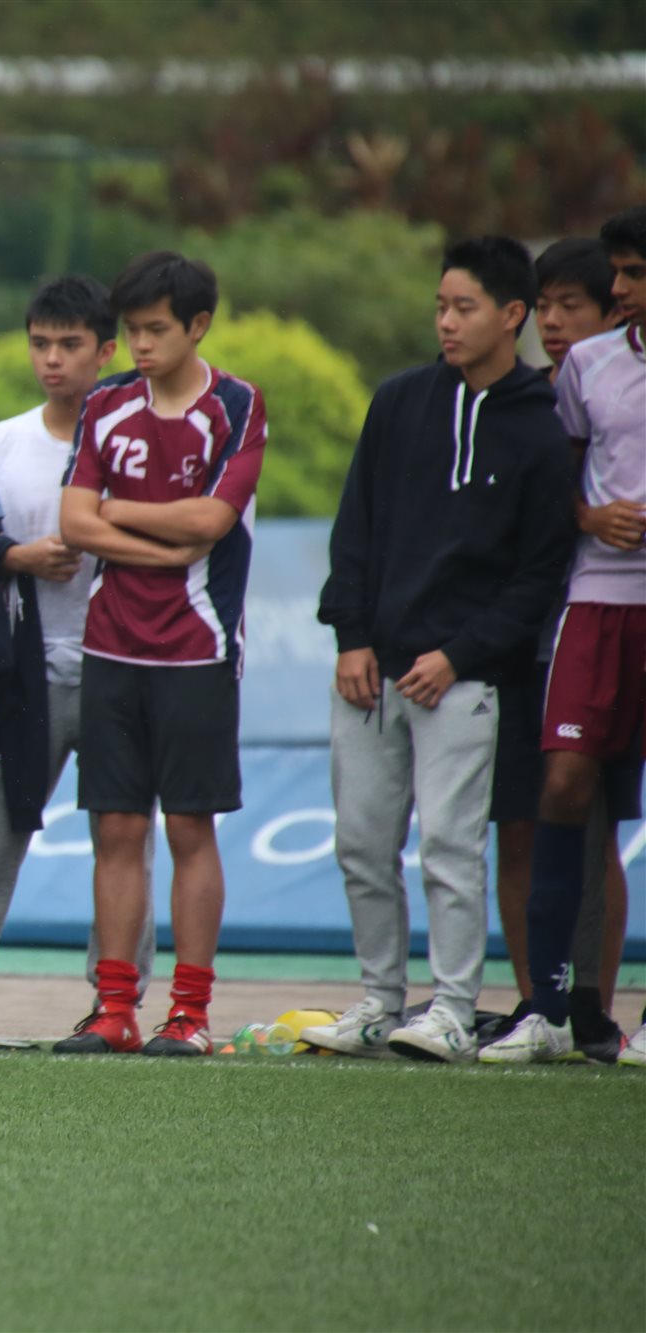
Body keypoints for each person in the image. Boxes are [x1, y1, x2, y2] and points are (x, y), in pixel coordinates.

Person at [305, 236, 575, 1064]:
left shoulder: (544, 425)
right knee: (361, 841)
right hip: (372, 671)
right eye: (440, 305)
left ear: (512, 315)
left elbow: (539, 573)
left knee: (454, 846)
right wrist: (352, 635)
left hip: (465, 680)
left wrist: (458, 655)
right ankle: (381, 1001)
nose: (447, 322)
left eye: (464, 308)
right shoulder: (399, 402)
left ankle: (454, 1006)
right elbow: (357, 528)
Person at [54, 251, 267, 1057]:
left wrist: (122, 516)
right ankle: (113, 1009)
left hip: (198, 650)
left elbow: (213, 525)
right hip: (110, 645)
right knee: (114, 826)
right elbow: (75, 522)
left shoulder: (237, 405)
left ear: (197, 326)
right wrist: (160, 534)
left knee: (188, 827)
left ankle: (190, 1011)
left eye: (155, 330)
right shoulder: (105, 403)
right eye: (131, 331)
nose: (139, 345)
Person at [0, 276, 156, 1011]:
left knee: (123, 841)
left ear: (107, 351)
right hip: (19, 678)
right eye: (40, 343)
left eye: (70, 345)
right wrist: (15, 556)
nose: (53, 360)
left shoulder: (141, 442)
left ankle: (116, 1000)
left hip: (119, 668)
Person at [484, 207, 646, 1066]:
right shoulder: (586, 367)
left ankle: (616, 1011)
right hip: (594, 600)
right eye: (613, 275)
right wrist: (592, 515)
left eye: (631, 275)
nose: (620, 292)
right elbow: (561, 486)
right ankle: (548, 1005)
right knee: (563, 785)